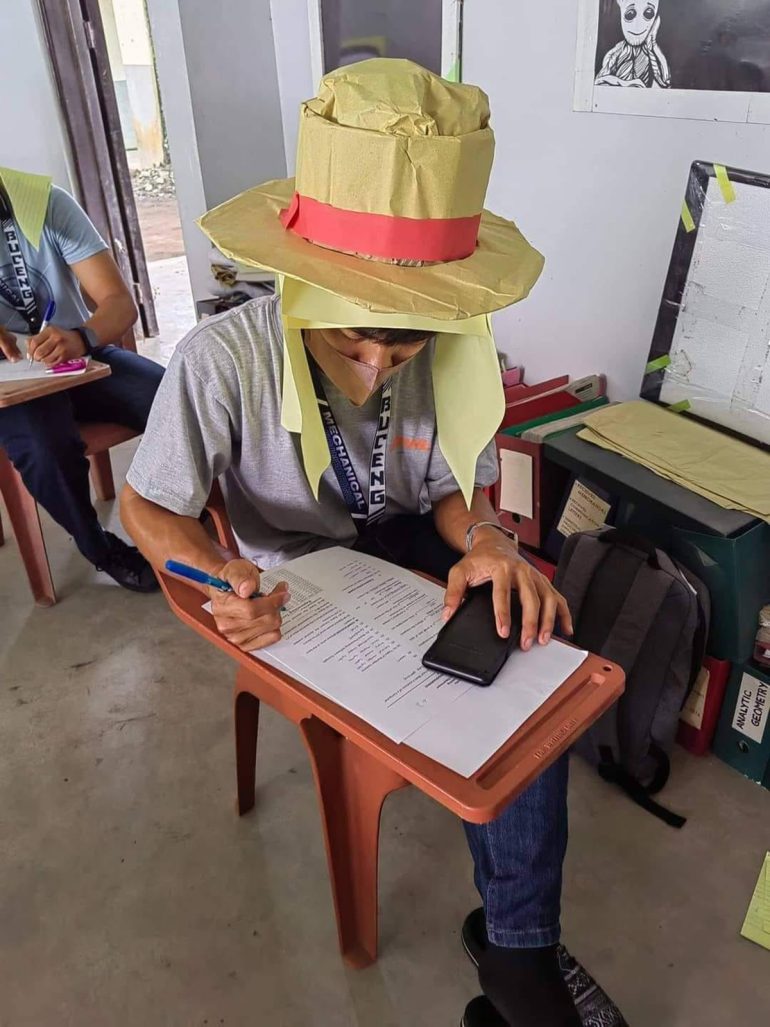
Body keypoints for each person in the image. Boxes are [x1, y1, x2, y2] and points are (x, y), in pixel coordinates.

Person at [121, 60, 626, 1026]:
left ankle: (516, 947)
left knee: (529, 644)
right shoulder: (220, 361)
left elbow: (451, 492)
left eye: (401, 348)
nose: (372, 370)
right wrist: (213, 571)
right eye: (348, 340)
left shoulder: (449, 349)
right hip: (296, 575)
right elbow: (147, 508)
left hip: (403, 542)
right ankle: (521, 962)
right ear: (301, 290)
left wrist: (488, 539)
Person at [0, 168, 162, 592]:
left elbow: (119, 303)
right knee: (43, 446)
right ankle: (99, 548)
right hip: (10, 386)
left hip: (80, 357)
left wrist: (80, 338)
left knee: (173, 399)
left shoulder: (43, 202)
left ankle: (182, 511)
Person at [596, 0, 670, 88]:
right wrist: (626, 83)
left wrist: (653, 44)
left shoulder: (650, 52)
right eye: (630, 14)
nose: (639, 24)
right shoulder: (616, 53)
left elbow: (665, 81)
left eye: (648, 13)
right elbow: (599, 81)